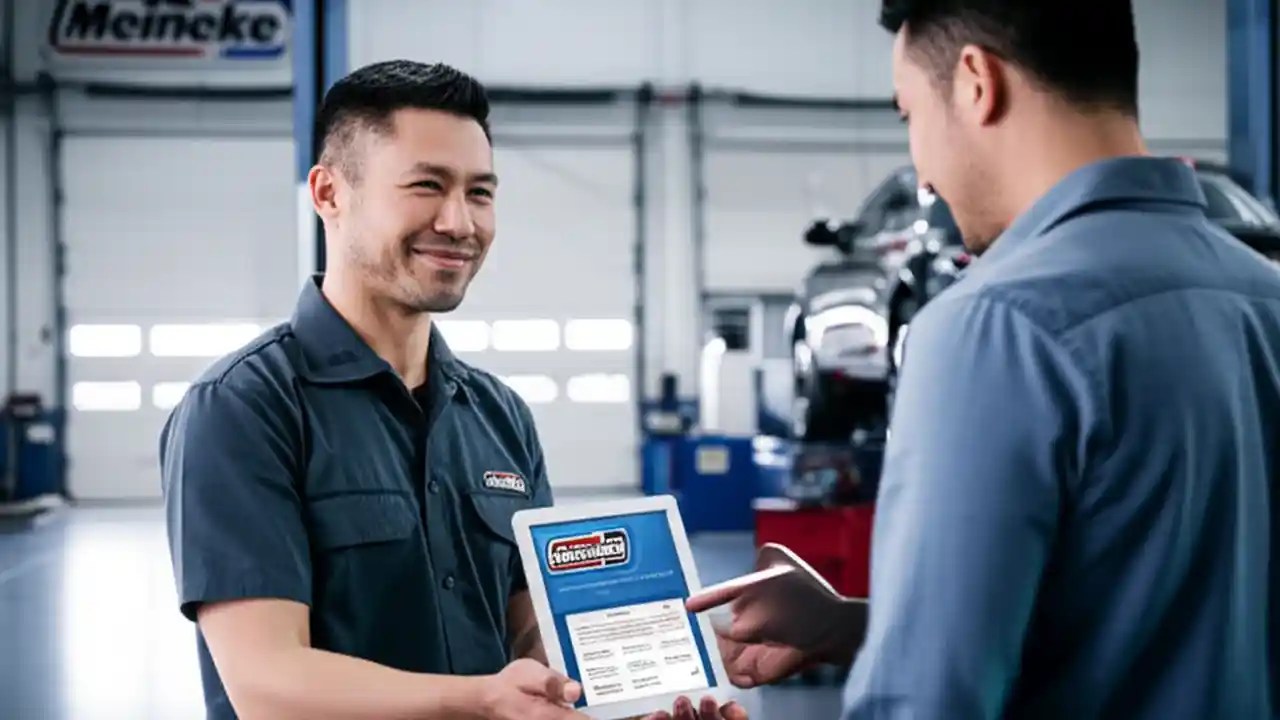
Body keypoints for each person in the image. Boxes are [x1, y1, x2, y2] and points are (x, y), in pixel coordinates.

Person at [691, 1, 1278, 718]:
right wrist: (849, 624)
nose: (924, 170)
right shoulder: (1262, 297)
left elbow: (924, 702)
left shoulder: (993, 326)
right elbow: (1146, 619)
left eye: (909, 116)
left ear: (975, 82)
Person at [160, 60, 744, 720]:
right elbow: (268, 683)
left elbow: (529, 633)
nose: (460, 222)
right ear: (328, 193)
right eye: (426, 186)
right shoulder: (243, 408)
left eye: (481, 192)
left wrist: (650, 674)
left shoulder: (498, 415)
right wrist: (478, 702)